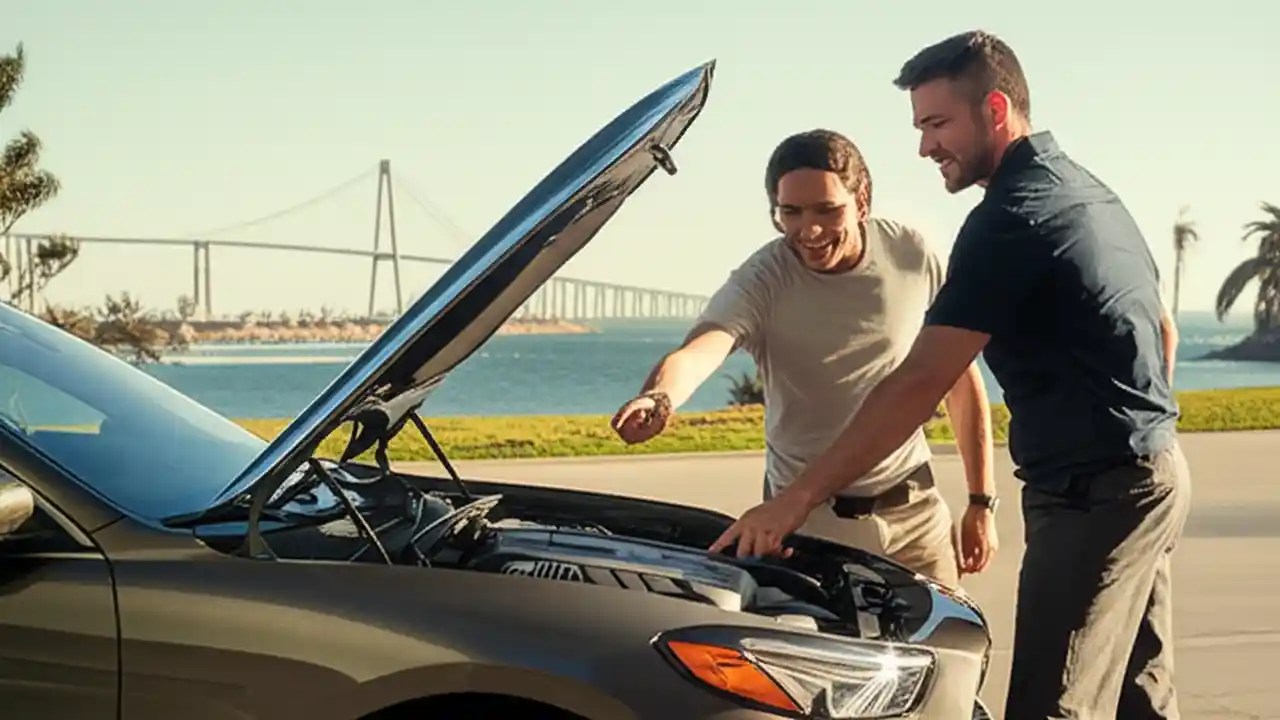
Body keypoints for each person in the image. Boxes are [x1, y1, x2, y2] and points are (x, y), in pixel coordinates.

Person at [709, 30, 1190, 720]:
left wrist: (796, 497)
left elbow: (917, 384)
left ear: (995, 110)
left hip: (1094, 494)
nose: (925, 146)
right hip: (1152, 474)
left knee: (1051, 705)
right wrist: (1144, 434)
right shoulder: (1085, 190)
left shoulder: (1010, 220)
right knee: (1141, 696)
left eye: (937, 124)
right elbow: (1163, 328)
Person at [611, 129, 998, 590]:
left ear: (862, 199)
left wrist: (981, 500)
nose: (808, 231)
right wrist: (661, 395)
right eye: (789, 213)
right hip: (803, 522)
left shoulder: (912, 254)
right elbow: (704, 346)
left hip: (914, 513)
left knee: (952, 653)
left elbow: (956, 378)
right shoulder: (763, 278)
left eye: (826, 210)